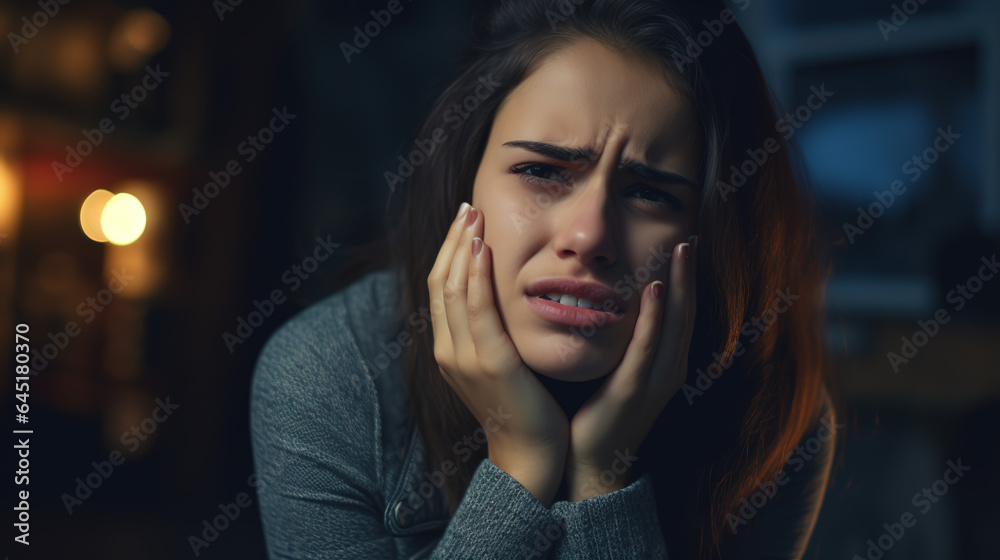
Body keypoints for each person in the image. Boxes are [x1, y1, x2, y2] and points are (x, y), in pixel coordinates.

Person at [250, 0, 838, 558]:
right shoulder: (326, 375)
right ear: (467, 180)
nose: (587, 238)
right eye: (541, 171)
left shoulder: (777, 418)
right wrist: (520, 467)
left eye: (649, 193)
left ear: (713, 233)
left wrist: (605, 480)